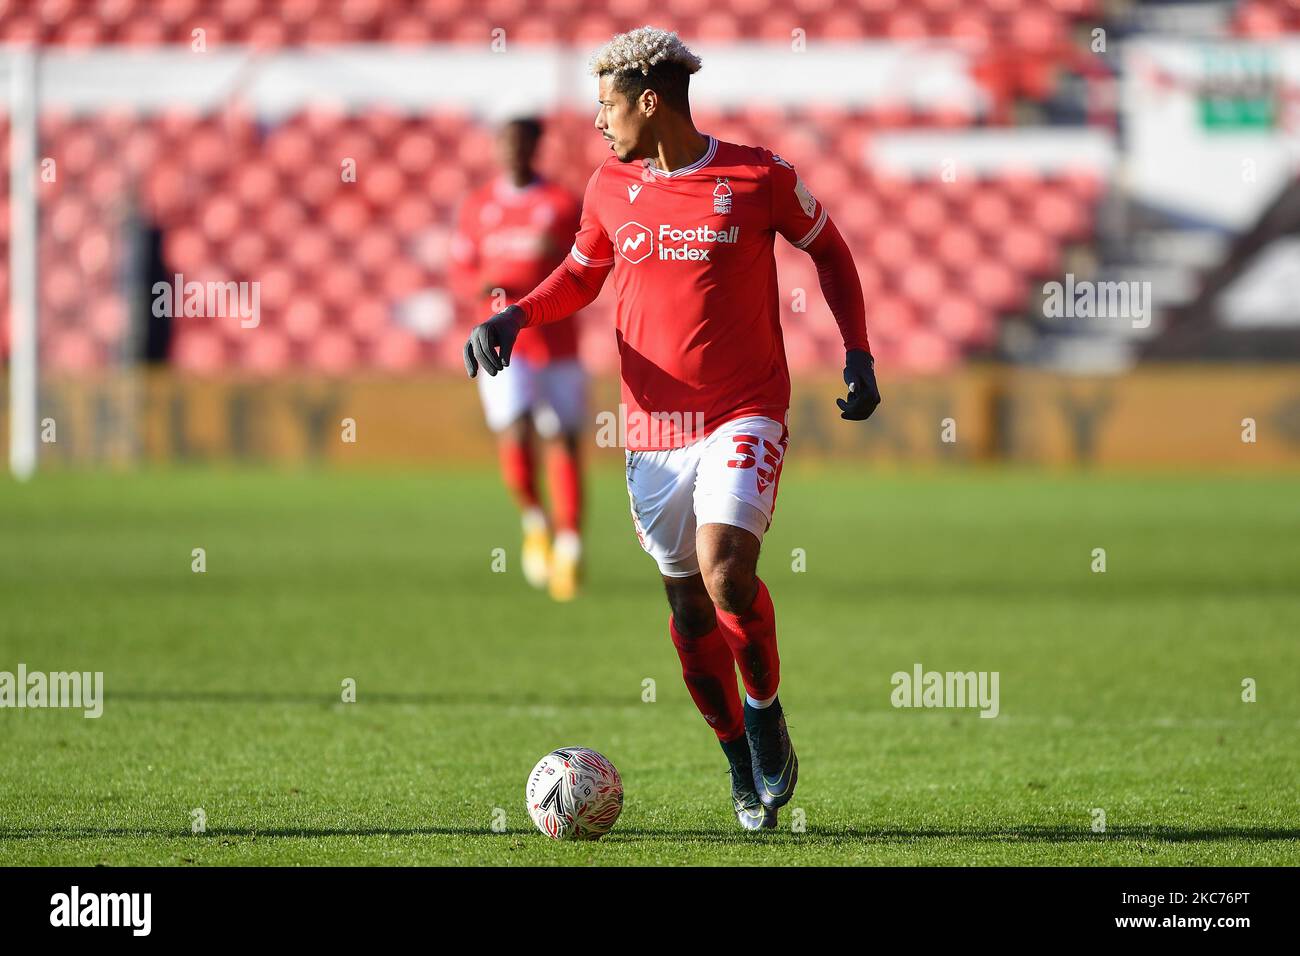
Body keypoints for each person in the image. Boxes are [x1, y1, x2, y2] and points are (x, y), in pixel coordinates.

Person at [464, 29, 880, 829]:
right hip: (652, 431)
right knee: (691, 614)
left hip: (744, 409)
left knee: (727, 573)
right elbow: (581, 276)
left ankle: (765, 717)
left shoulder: (757, 176)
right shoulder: (609, 186)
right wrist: (515, 315)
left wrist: (857, 353)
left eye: (607, 104)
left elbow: (830, 252)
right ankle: (734, 756)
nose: (598, 120)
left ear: (648, 101)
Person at [451, 118, 587, 601]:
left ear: (535, 147)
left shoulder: (562, 204)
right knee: (516, 428)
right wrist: (490, 281)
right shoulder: (479, 206)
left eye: (522, 142)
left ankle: (569, 547)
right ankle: (535, 519)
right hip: (503, 345)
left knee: (565, 442)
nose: (513, 151)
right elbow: (463, 273)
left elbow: (584, 265)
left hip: (559, 343)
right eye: (505, 142)